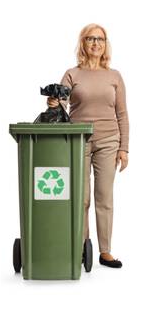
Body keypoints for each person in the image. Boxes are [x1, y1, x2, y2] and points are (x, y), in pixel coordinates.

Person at [60, 24, 128, 268]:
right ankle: (82, 247)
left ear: (105, 43)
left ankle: (105, 251)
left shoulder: (114, 76)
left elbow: (122, 114)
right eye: (90, 39)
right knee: (81, 198)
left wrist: (124, 148)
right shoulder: (72, 74)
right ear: (83, 44)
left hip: (110, 141)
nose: (95, 43)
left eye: (100, 39)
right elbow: (59, 105)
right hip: (78, 140)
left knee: (104, 197)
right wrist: (53, 101)